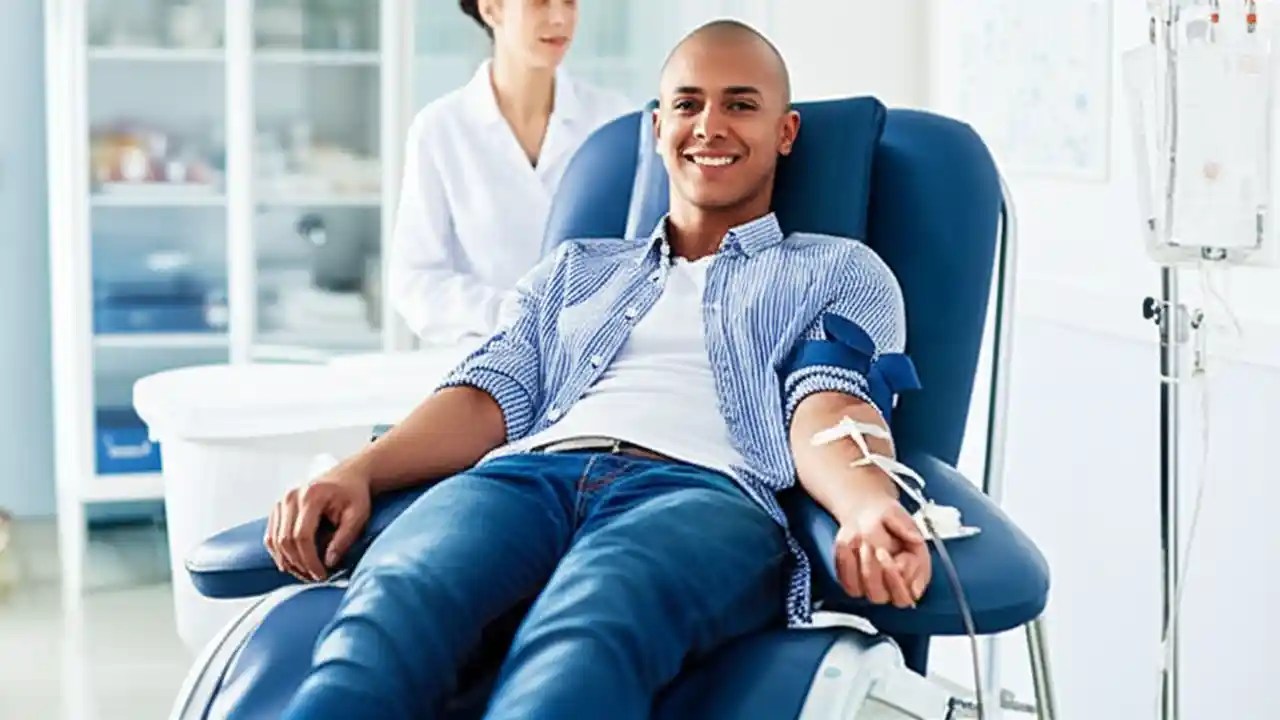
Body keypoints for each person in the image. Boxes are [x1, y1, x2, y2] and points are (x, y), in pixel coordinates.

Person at [268, 19, 933, 720]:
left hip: (703, 495)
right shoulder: (573, 269)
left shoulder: (837, 270)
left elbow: (829, 404)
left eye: (740, 104)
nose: (710, 125)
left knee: (591, 623)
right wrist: (356, 471)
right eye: (687, 104)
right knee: (395, 598)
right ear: (656, 127)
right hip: (522, 478)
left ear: (786, 132)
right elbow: (488, 391)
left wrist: (864, 504)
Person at [390, 0, 633, 344]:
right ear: (491, 9)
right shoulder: (440, 130)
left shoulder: (613, 119)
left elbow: (644, 256)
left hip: (591, 356)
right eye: (540, 2)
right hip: (480, 356)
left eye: (569, 2)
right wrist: (510, 312)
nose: (560, 18)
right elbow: (415, 280)